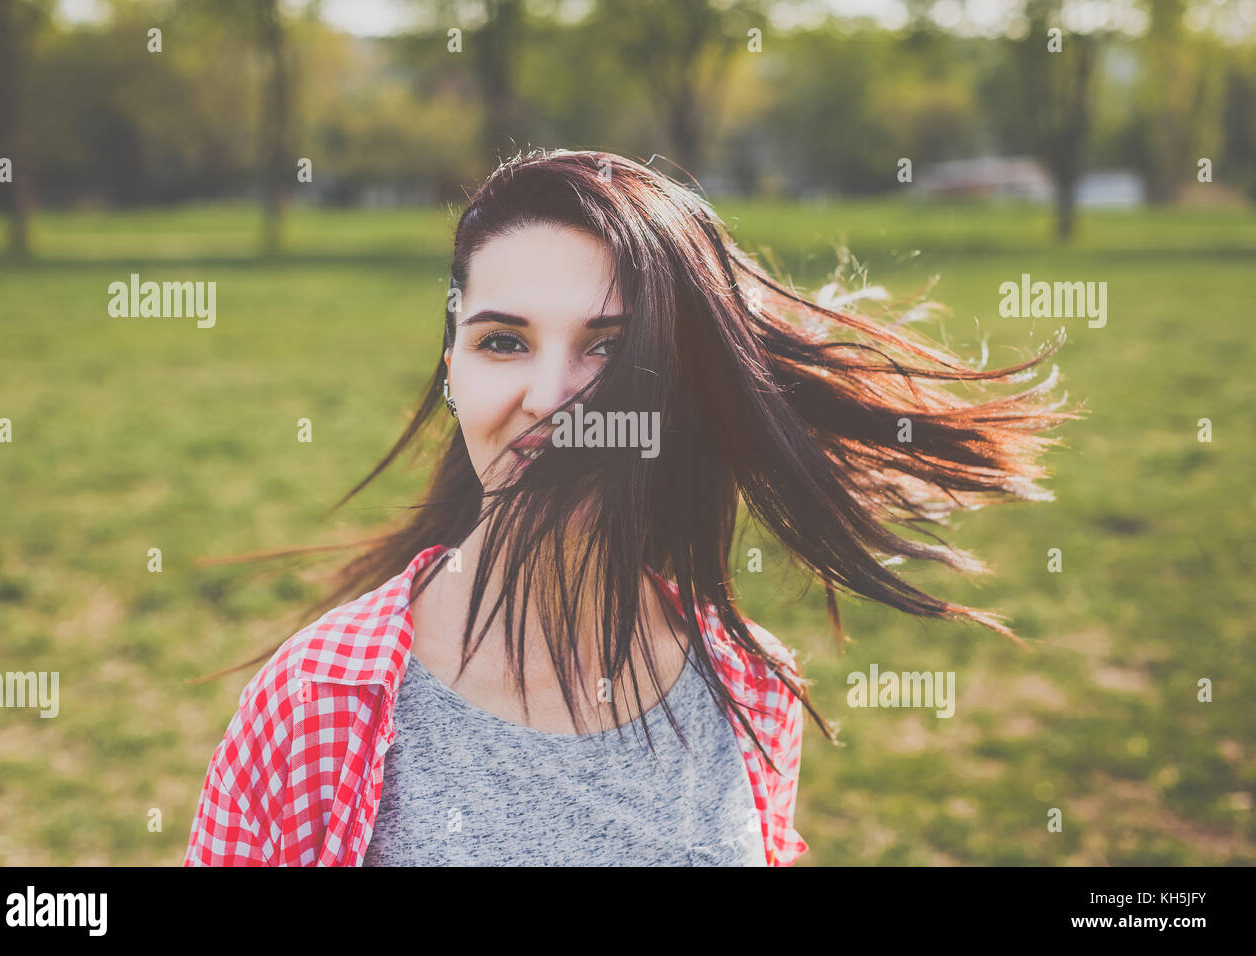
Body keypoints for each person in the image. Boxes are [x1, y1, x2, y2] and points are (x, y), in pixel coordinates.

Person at [183, 148, 1080, 866]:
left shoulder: (750, 687)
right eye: (503, 341)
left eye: (609, 349)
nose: (550, 396)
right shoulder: (321, 700)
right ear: (452, 372)